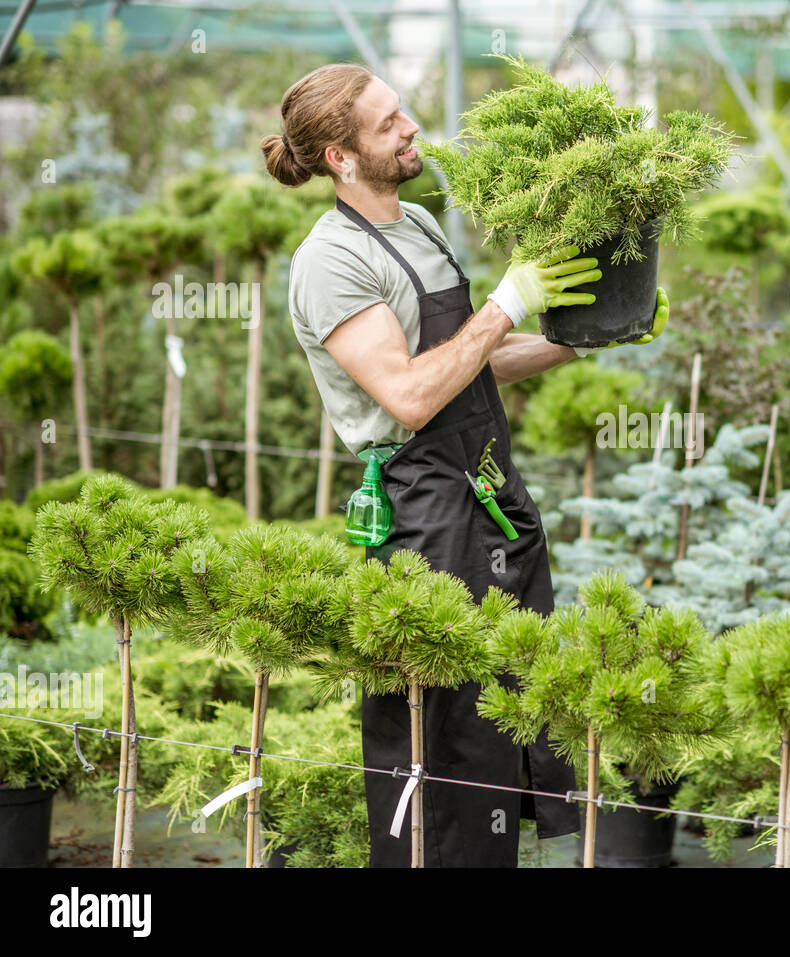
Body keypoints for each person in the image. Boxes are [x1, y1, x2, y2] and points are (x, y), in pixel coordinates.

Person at [263, 63, 668, 867]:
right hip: (422, 519)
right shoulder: (331, 261)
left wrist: (581, 335)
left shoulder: (416, 222)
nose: (411, 127)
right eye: (388, 124)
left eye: (401, 110)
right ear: (341, 158)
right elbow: (411, 395)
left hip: (487, 492)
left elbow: (467, 362)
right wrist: (505, 302)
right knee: (445, 739)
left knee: (513, 718)